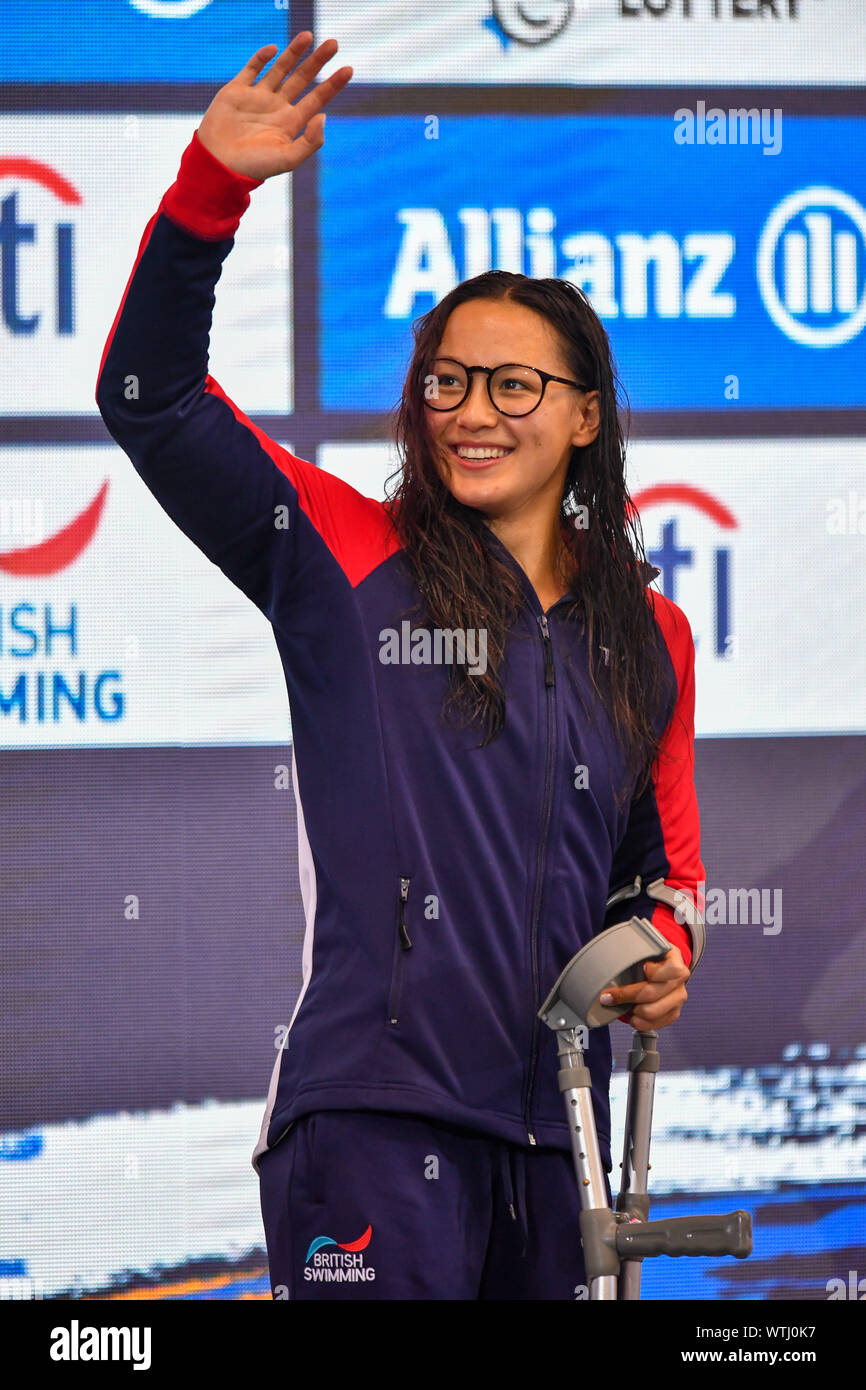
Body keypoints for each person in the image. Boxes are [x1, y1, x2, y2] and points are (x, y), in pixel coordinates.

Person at [96, 32, 704, 1301]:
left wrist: (655, 951)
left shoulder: (650, 635)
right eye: (445, 380)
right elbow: (150, 397)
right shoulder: (340, 553)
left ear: (587, 413)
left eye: (514, 383)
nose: (473, 409)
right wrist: (210, 189)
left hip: (555, 1143)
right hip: (371, 1122)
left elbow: (663, 876)